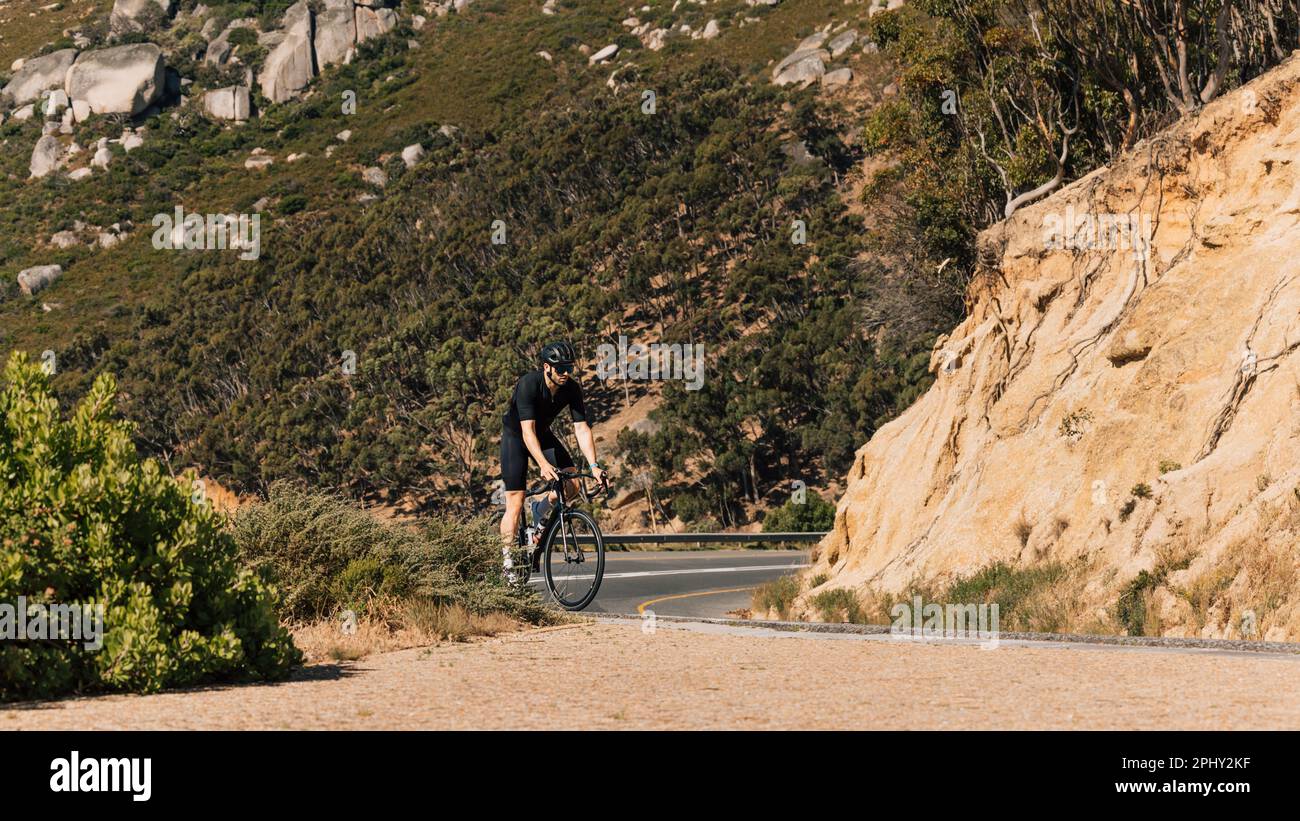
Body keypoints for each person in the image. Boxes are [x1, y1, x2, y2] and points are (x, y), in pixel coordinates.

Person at [499, 341, 604, 572]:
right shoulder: (529, 384)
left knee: (572, 484)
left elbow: (582, 428)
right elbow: (527, 432)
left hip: (543, 435)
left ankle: (540, 509)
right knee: (515, 501)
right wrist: (543, 464)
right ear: (547, 367)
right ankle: (507, 564)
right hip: (516, 437)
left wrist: (594, 466)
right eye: (560, 369)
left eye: (570, 368)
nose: (566, 373)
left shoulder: (571, 389)